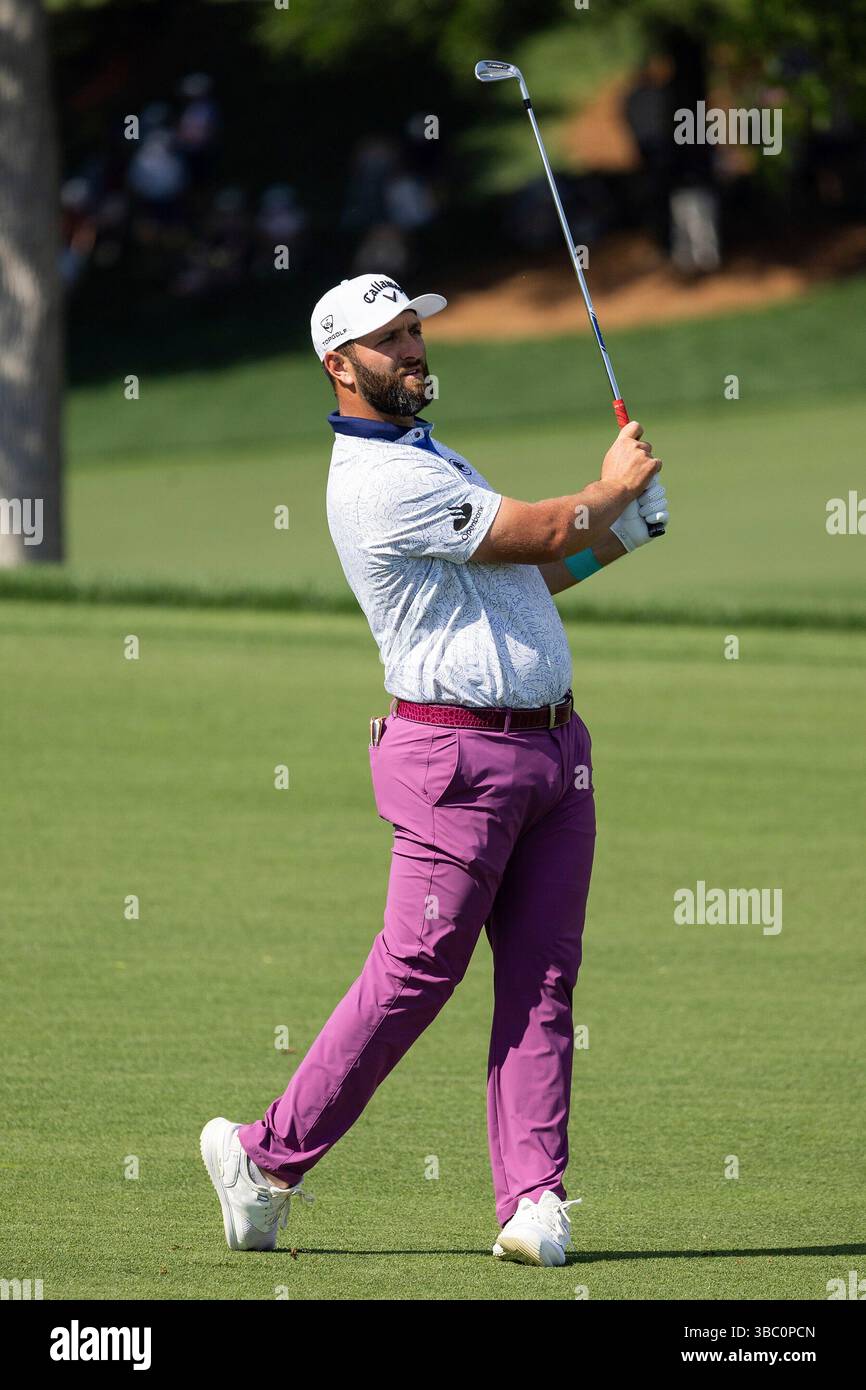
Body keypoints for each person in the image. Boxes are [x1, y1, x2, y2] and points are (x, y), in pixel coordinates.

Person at [201, 273, 668, 1267]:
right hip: (458, 760)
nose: (412, 349)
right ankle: (264, 1158)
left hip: (550, 751)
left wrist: (617, 535)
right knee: (418, 968)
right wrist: (609, 493)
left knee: (543, 978)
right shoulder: (379, 480)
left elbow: (534, 569)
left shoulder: (424, 452)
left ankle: (533, 1200)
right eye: (388, 339)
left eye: (414, 330)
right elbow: (543, 528)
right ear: (340, 366)